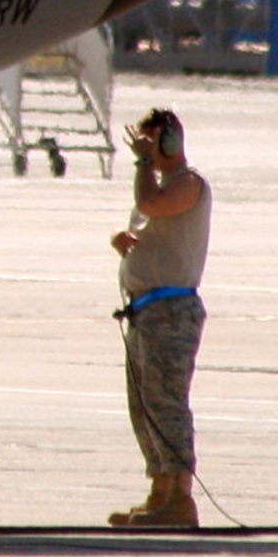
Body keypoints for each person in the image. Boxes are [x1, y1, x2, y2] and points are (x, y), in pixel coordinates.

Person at [108, 106, 209, 528]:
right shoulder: (162, 185)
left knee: (167, 403)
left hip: (172, 311)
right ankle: (160, 491)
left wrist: (144, 162)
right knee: (145, 405)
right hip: (146, 311)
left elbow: (150, 202)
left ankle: (180, 497)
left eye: (154, 142)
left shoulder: (188, 184)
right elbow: (152, 215)